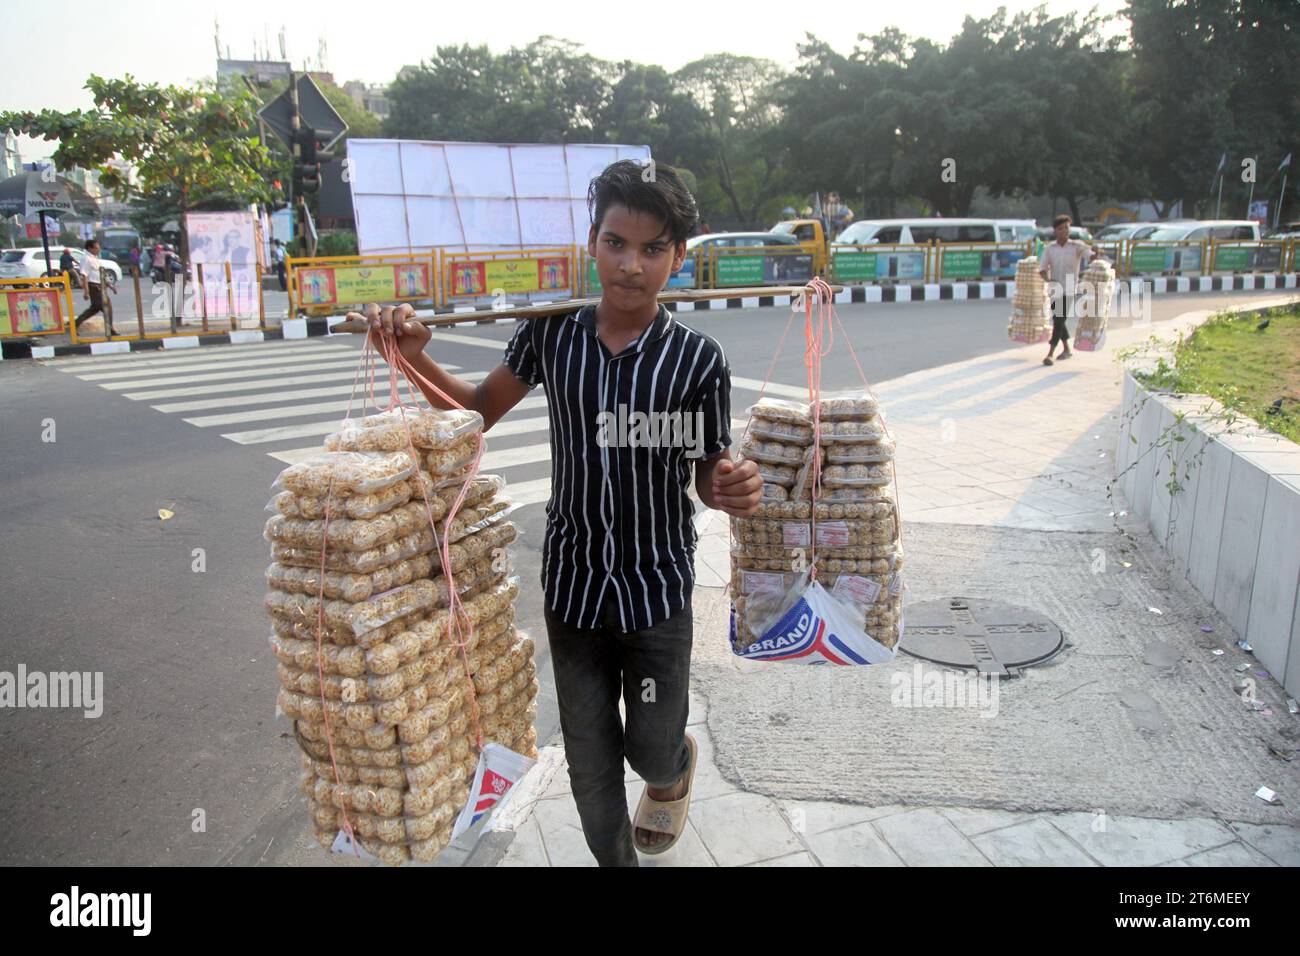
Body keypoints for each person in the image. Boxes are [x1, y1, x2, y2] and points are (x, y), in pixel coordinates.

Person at [349, 160, 764, 866]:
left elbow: (703, 471)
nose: (631, 265)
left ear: (679, 257)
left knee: (651, 747)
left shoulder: (698, 360)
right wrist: (414, 358)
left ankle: (671, 768)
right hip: (572, 590)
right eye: (615, 243)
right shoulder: (552, 334)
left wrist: (726, 486)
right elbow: (475, 414)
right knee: (590, 759)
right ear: (592, 240)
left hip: (657, 590)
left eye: (652, 248)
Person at [1038, 214, 1100, 365]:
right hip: (1054, 288)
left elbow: (1090, 256)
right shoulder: (1049, 249)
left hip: (1070, 287)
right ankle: (1066, 349)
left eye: (1066, 227)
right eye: (1061, 228)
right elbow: (1042, 269)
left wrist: (1095, 254)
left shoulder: (1077, 246)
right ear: (1055, 231)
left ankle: (1050, 353)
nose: (1064, 231)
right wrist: (1047, 280)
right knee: (1058, 320)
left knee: (1059, 319)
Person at [74, 239, 119, 336]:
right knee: (106, 307)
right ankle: (110, 328)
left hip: (100, 286)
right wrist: (86, 291)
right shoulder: (86, 258)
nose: (98, 250)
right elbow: (84, 276)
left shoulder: (94, 258)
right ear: (90, 248)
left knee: (94, 309)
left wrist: (111, 286)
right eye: (96, 248)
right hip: (94, 287)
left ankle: (75, 325)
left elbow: (101, 274)